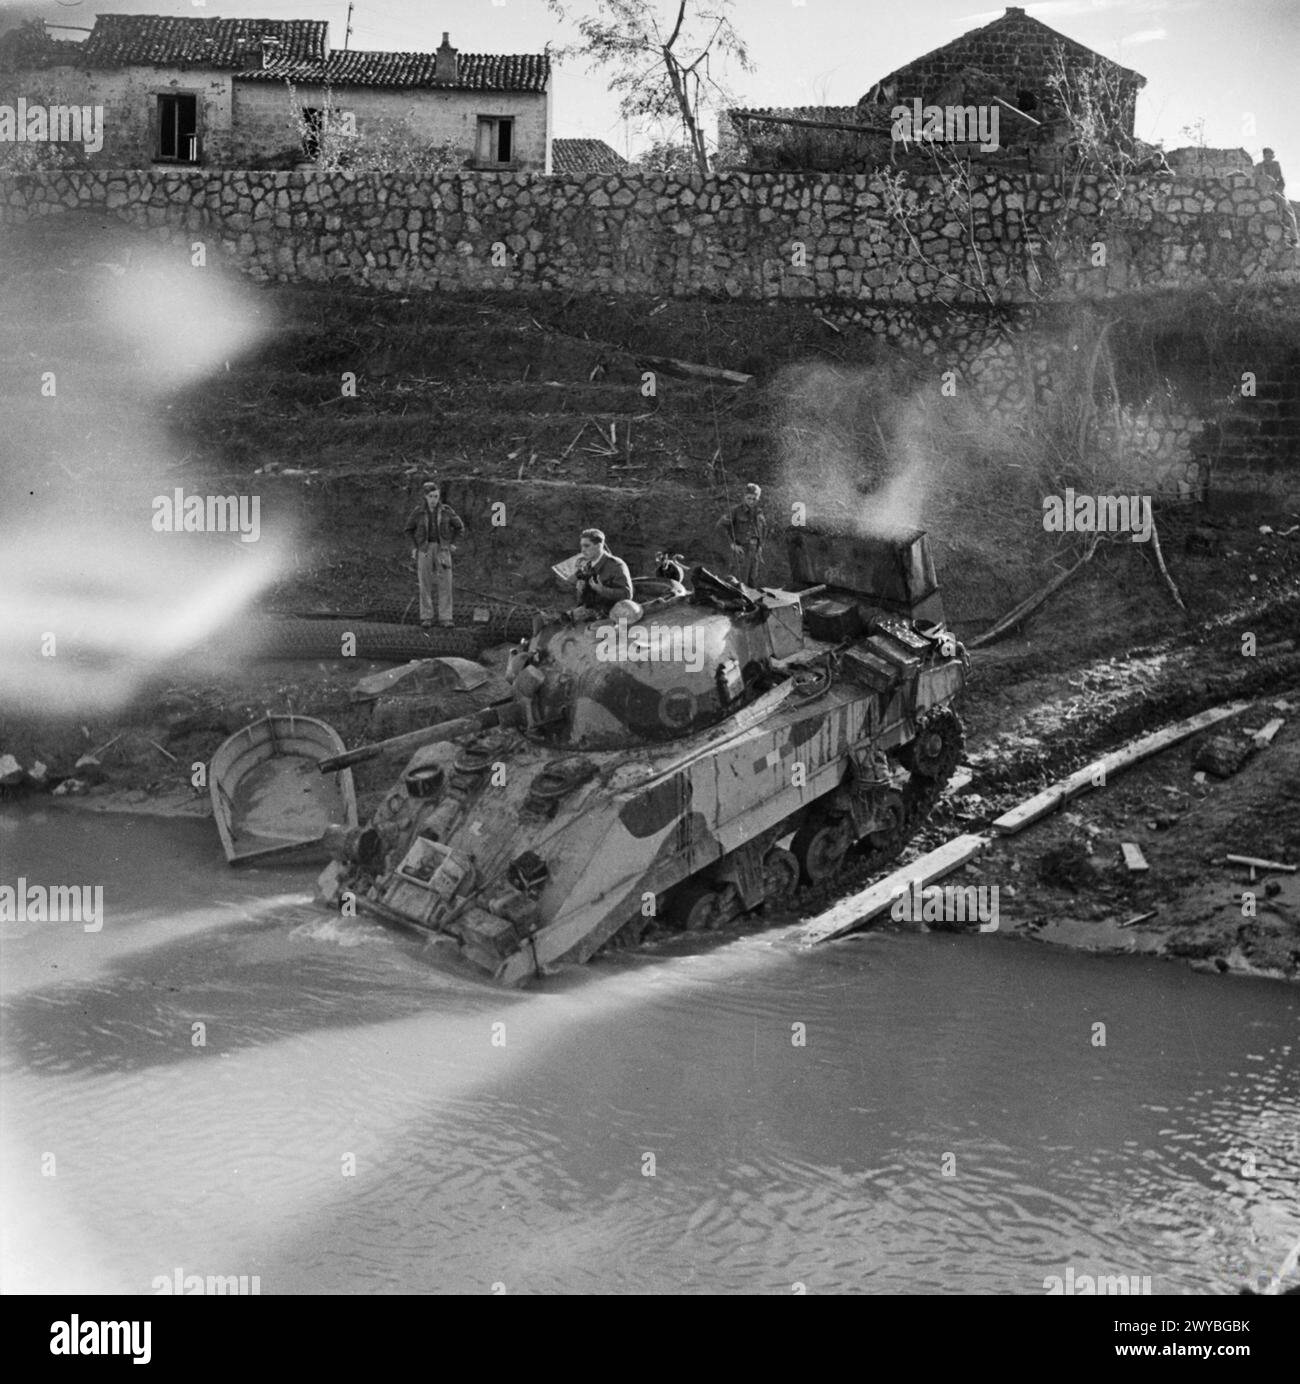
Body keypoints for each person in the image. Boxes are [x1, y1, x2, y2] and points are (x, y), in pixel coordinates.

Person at [403, 478, 465, 628]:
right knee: (425, 583)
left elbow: (459, 527)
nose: (433, 500)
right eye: (431, 496)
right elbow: (408, 530)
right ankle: (426, 617)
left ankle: (446, 618)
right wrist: (414, 547)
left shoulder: (446, 511)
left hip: (442, 549)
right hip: (424, 549)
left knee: (446, 582)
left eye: (436, 496)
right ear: (425, 496)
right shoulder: (418, 512)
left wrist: (453, 544)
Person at [571, 528, 633, 619]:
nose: (582, 550)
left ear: (599, 545)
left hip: (611, 616)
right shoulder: (586, 566)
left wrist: (602, 589)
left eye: (587, 546)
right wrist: (580, 591)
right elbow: (584, 602)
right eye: (582, 546)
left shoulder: (615, 565)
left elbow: (626, 595)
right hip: (589, 614)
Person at [715, 482, 767, 586]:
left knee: (753, 580)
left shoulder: (759, 512)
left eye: (754, 499)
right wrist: (732, 544)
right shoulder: (736, 511)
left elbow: (764, 529)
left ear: (758, 498)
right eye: (749, 498)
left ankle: (750, 602)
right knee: (741, 582)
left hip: (755, 551)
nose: (751, 501)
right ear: (744, 497)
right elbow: (720, 526)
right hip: (743, 550)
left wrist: (760, 546)